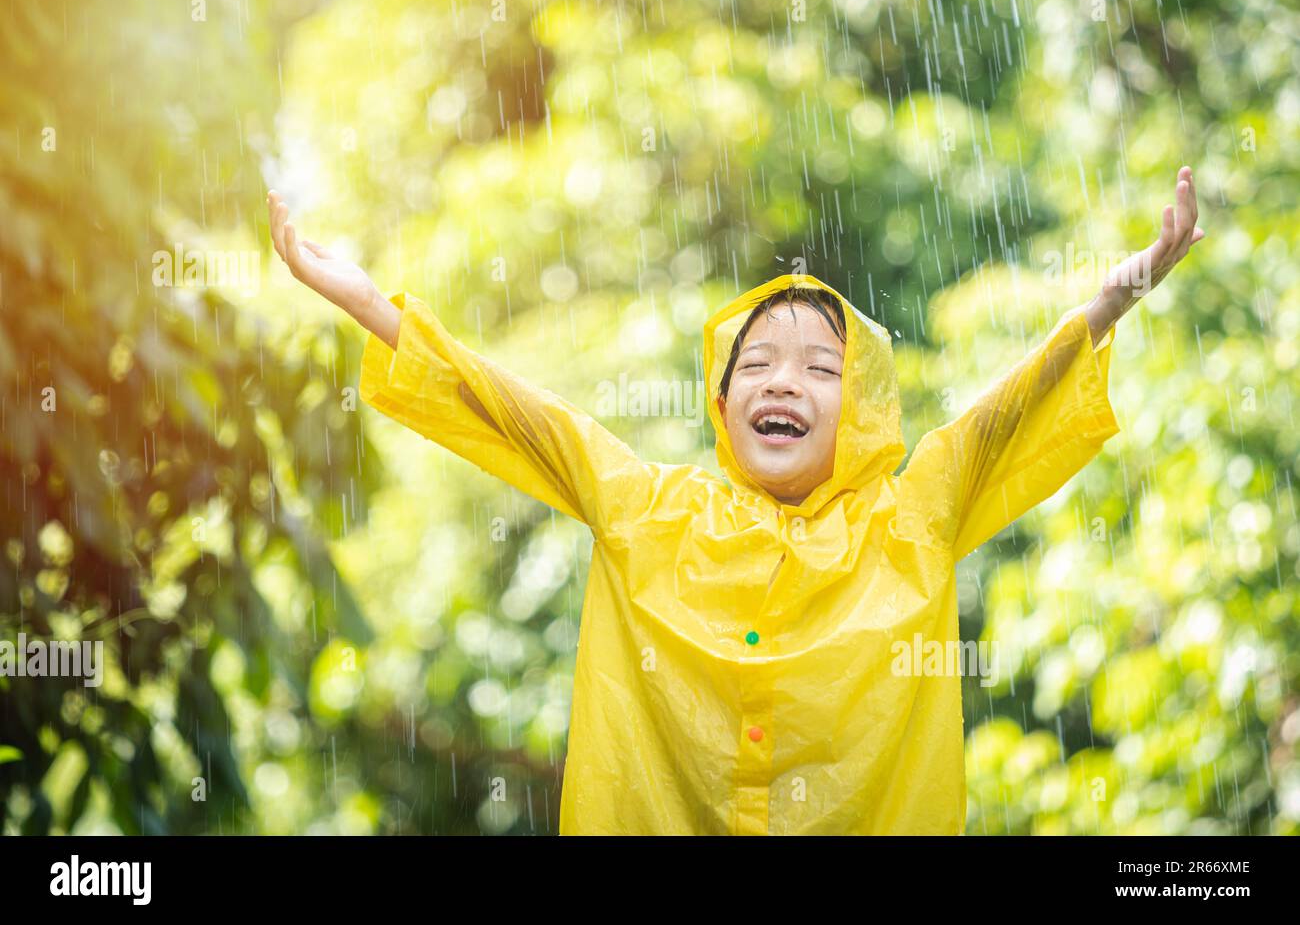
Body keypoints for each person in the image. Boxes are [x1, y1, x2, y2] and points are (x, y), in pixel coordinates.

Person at [266, 167, 1203, 834]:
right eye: (754, 364)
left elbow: (1015, 404)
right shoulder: (649, 510)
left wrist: (1124, 290)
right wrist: (364, 303)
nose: (782, 383)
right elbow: (511, 409)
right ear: (722, 403)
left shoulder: (914, 515)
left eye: (819, 370)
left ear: (864, 408)